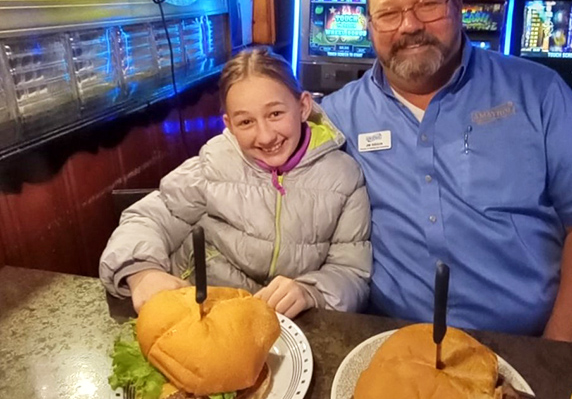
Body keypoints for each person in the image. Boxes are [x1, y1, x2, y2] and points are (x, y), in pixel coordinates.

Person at [322, 0, 572, 343]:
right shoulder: (336, 115)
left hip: (525, 342)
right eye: (389, 14)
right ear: (369, 26)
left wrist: (558, 354)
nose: (410, 25)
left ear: (456, 5)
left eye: (428, 4)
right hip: (391, 336)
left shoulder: (537, 91)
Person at [100, 47, 371, 318]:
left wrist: (311, 291)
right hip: (203, 313)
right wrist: (143, 273)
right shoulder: (214, 162)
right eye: (246, 122)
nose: (264, 136)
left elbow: (351, 272)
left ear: (302, 107)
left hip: (287, 326)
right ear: (229, 124)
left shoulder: (344, 177)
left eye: (275, 114)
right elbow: (147, 218)